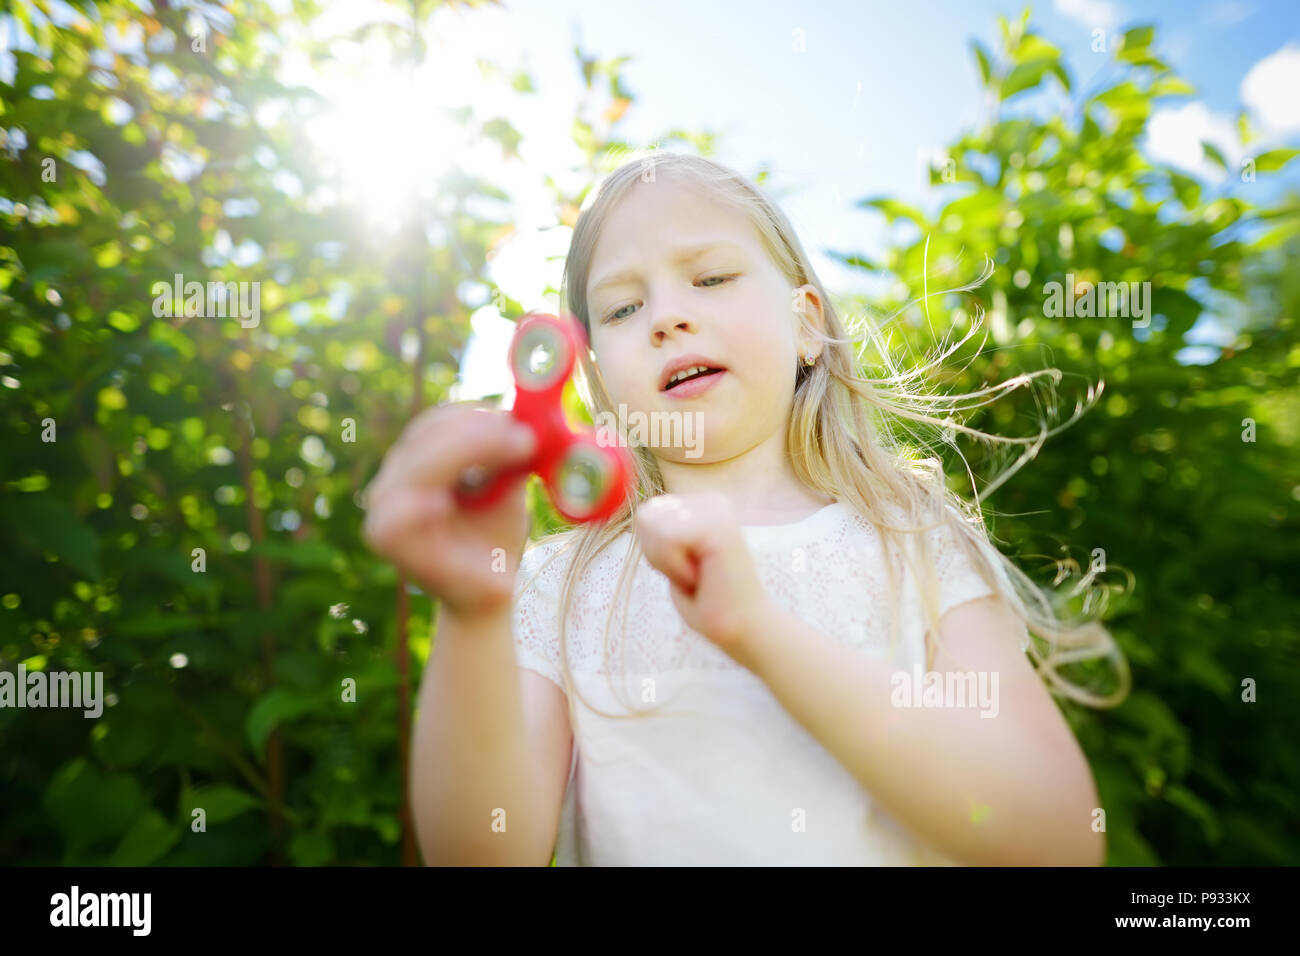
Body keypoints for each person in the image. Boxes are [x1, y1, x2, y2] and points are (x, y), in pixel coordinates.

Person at [364, 151, 1129, 866]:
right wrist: (471, 616)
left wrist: (759, 634)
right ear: (596, 377)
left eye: (712, 278)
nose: (666, 316)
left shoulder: (913, 537)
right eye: (624, 308)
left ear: (806, 322)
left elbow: (1059, 838)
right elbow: (483, 852)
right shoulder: (557, 585)